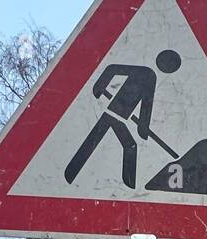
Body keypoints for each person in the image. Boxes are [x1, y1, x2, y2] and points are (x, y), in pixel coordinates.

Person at [64, 50, 182, 188]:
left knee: (120, 144)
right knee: (104, 143)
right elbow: (112, 69)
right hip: (112, 113)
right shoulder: (146, 74)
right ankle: (71, 174)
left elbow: (146, 105)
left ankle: (127, 186)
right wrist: (99, 87)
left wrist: (142, 128)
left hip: (118, 118)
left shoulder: (150, 76)